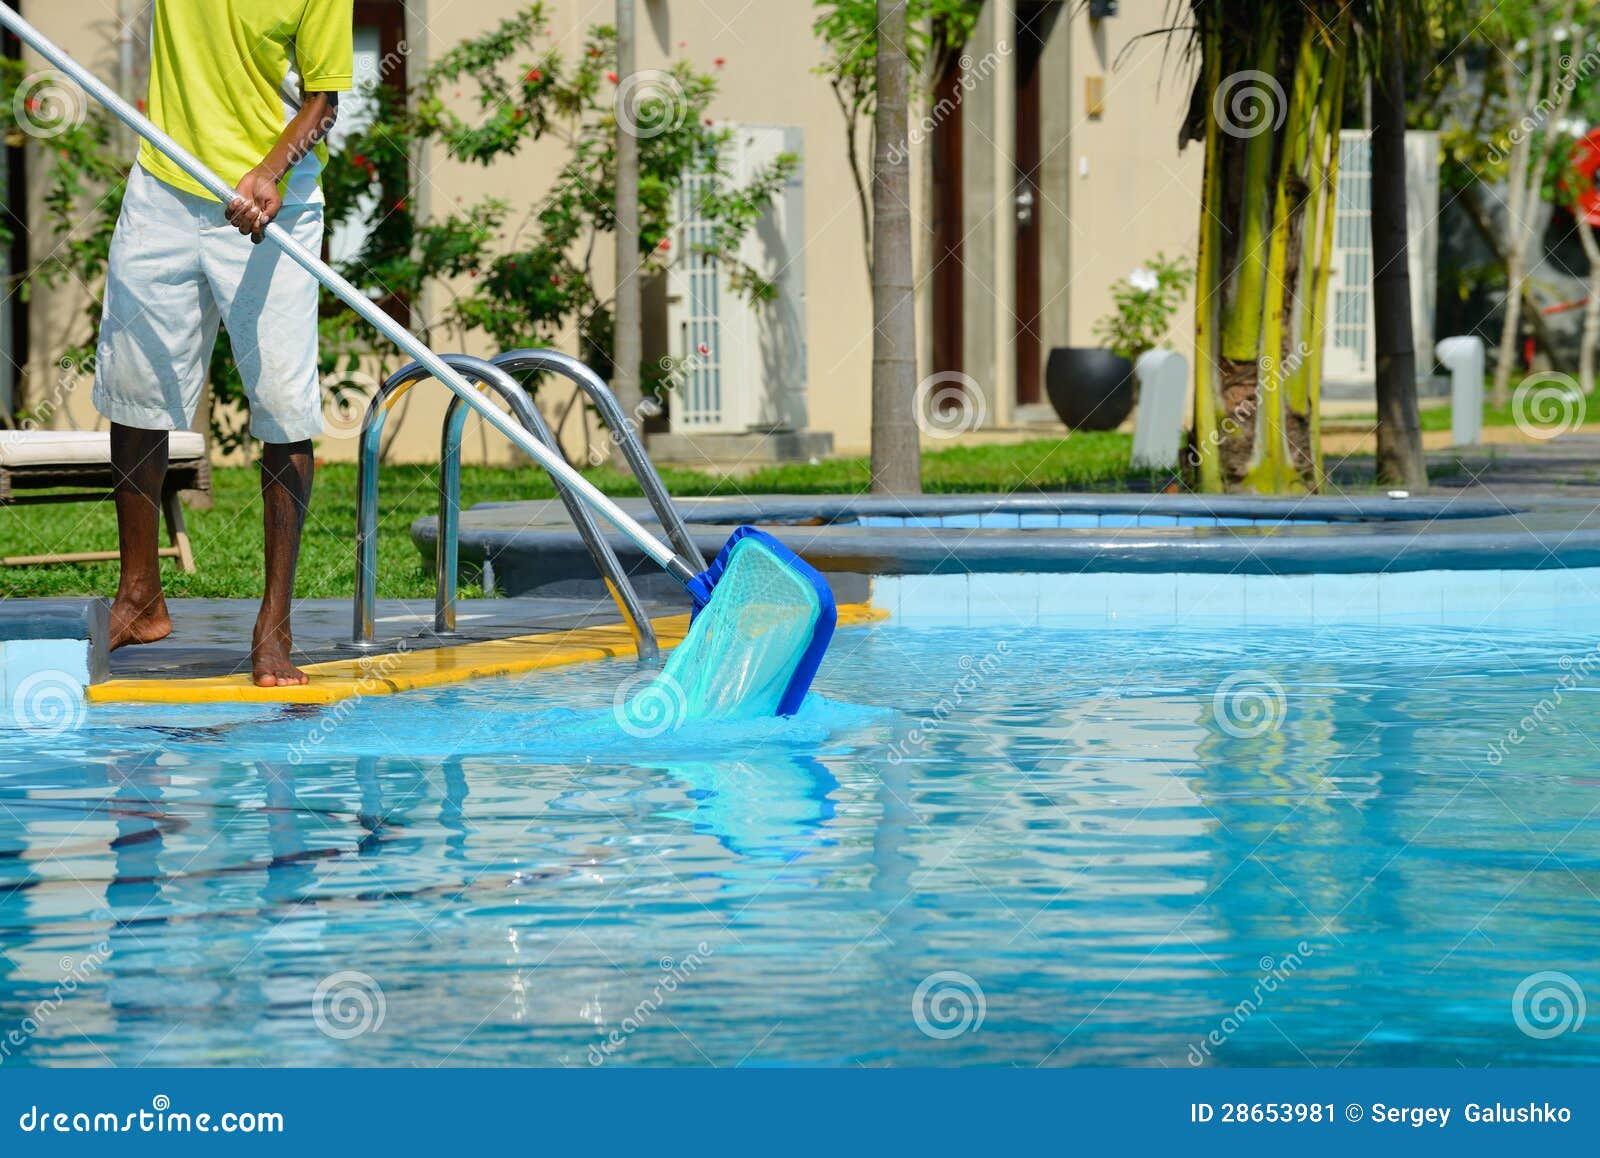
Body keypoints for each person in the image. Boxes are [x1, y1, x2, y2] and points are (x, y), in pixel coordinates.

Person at [94, 1, 353, 686]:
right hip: (163, 188)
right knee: (135, 389)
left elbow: (322, 104)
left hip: (278, 201)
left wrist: (269, 172)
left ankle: (274, 629)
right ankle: (140, 596)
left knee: (283, 408)